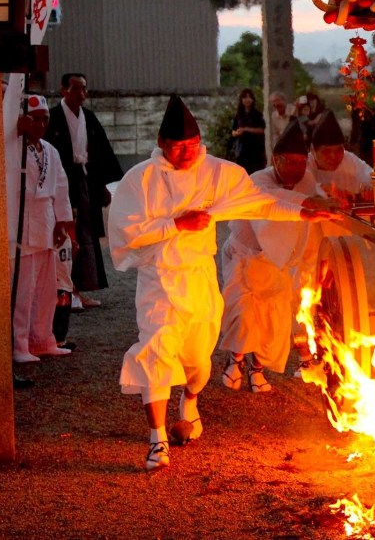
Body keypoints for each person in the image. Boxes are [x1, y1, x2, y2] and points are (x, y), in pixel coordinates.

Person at [109, 95, 338, 472]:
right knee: (155, 349)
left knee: (199, 358)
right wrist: (175, 224)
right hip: (159, 280)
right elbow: (125, 230)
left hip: (199, 277)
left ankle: (191, 401)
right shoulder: (141, 179)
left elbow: (260, 203)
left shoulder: (218, 173)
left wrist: (302, 211)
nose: (187, 153)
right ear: (163, 144)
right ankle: (157, 440)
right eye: (179, 147)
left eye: (193, 145)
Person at [220, 122, 333, 392]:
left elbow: (317, 203)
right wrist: (307, 204)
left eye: (301, 162)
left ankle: (257, 370)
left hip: (279, 262)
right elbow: (273, 201)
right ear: (275, 159)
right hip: (245, 257)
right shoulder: (258, 180)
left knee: (273, 321)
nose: (296, 168)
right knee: (246, 317)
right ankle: (235, 362)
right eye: (289, 161)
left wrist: (329, 202)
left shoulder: (306, 180)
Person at [45, 72, 123, 307]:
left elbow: (100, 154)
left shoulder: (88, 118)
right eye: (76, 89)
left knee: (86, 235)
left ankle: (79, 289)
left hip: (86, 179)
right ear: (63, 90)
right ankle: (65, 290)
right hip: (62, 181)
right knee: (68, 235)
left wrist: (101, 186)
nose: (82, 94)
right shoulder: (52, 117)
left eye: (84, 89)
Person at [8, 94, 75, 364]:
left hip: (46, 221)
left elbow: (61, 187)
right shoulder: (11, 147)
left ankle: (43, 338)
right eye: (36, 119)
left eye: (45, 118)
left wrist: (62, 222)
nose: (42, 124)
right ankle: (19, 344)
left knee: (47, 289)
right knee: (22, 291)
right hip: (21, 222)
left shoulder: (49, 149)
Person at [309, 112, 373, 204]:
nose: (333, 157)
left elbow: (369, 176)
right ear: (312, 150)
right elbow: (302, 188)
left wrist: (368, 185)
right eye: (326, 151)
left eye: (339, 150)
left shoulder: (349, 159)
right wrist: (326, 188)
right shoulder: (305, 163)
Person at [230, 88, 267, 174]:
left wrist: (246, 129)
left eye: (249, 97)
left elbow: (261, 130)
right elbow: (233, 130)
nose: (247, 100)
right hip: (242, 150)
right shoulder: (239, 115)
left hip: (255, 149)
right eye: (245, 97)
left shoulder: (257, 114)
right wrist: (236, 133)